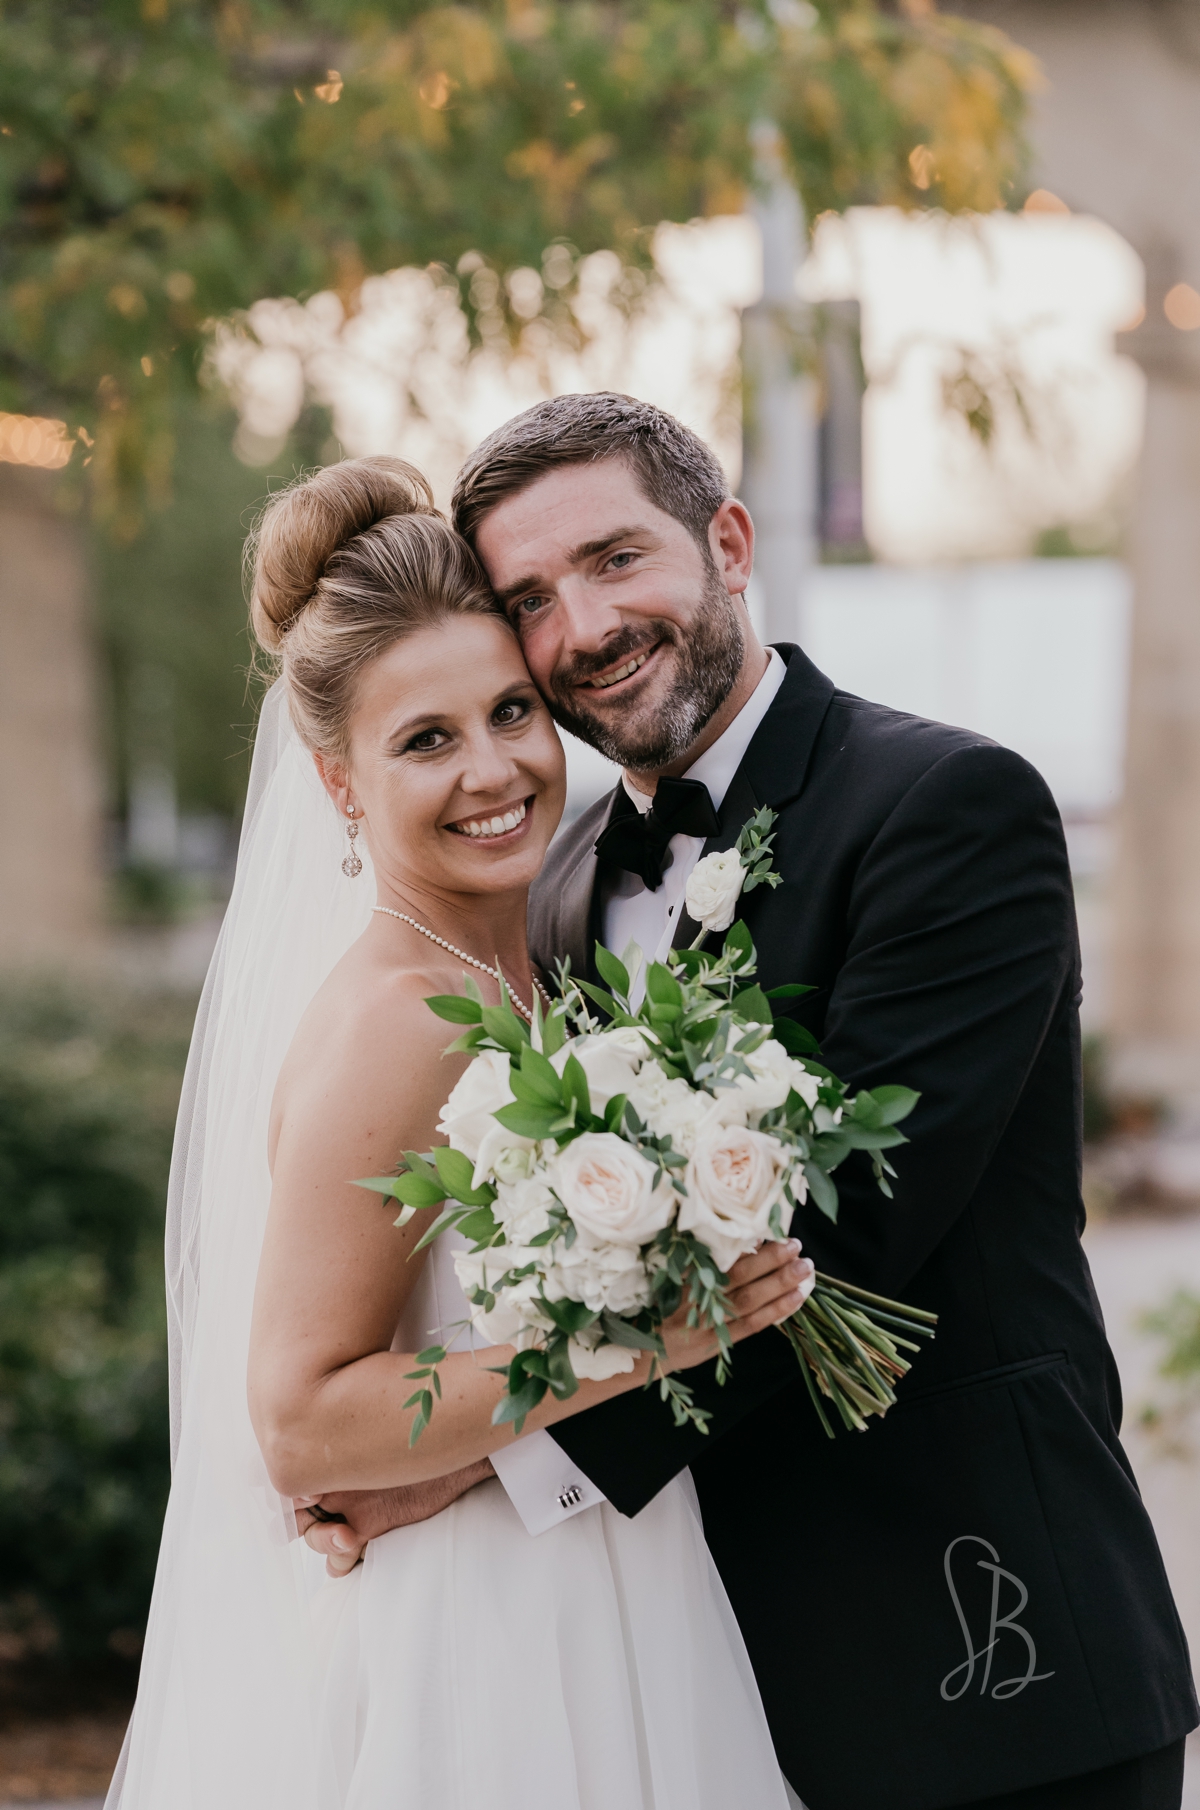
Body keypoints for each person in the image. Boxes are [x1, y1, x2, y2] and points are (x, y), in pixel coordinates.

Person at [308, 394, 1198, 1810]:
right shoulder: (556, 868)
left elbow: (838, 1243)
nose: (583, 625)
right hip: (684, 1680)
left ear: (728, 540)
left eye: (615, 560)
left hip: (977, 1648)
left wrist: (486, 1462)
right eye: (531, 597)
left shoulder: (950, 807)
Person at [106, 454, 812, 1810]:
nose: (493, 768)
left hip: (609, 1580)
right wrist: (652, 1337)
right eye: (425, 739)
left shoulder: (533, 965)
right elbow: (303, 1421)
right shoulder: (403, 1017)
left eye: (509, 711)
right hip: (488, 1642)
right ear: (339, 782)